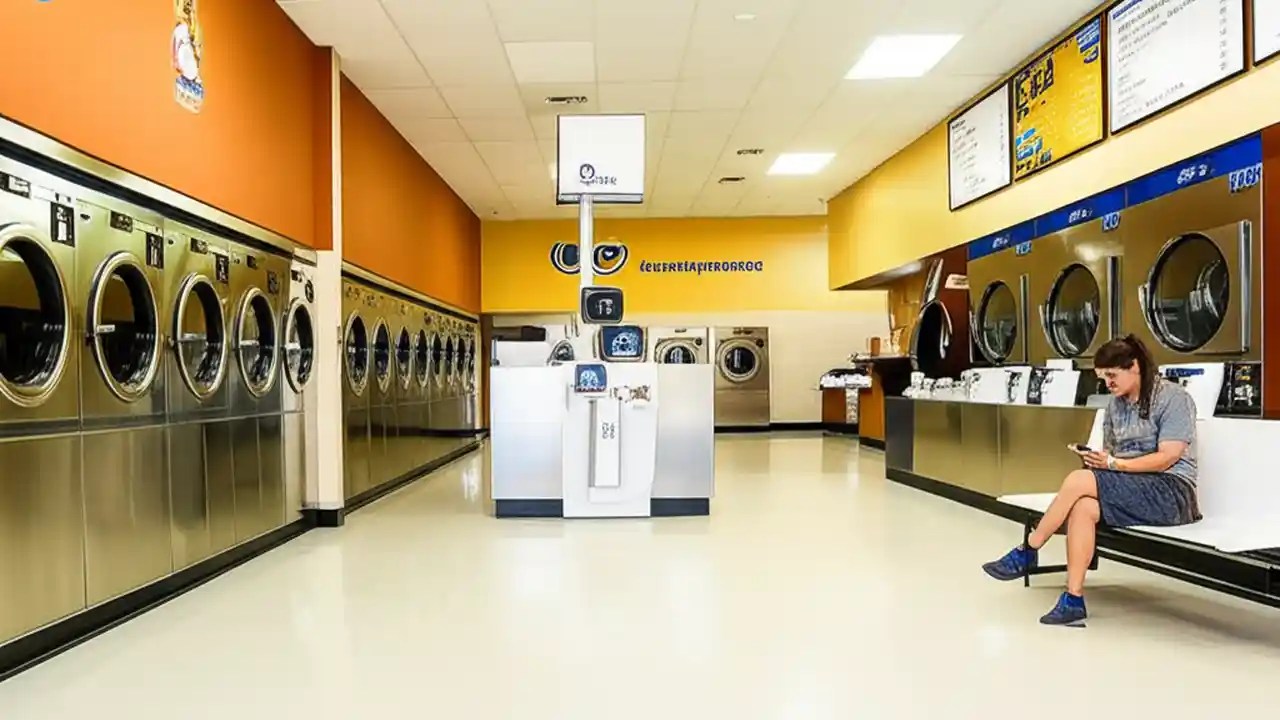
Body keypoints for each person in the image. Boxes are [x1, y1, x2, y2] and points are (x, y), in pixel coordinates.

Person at [982, 335, 1201, 626]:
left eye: (1112, 376)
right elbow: (1114, 455)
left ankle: (1029, 549)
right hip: (1132, 487)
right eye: (1103, 378)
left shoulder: (1173, 398)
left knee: (1079, 481)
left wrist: (1113, 464)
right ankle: (1073, 600)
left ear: (1134, 366)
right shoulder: (1115, 406)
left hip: (1171, 491)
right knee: (1083, 506)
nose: (1108, 384)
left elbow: (1167, 457)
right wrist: (1099, 460)